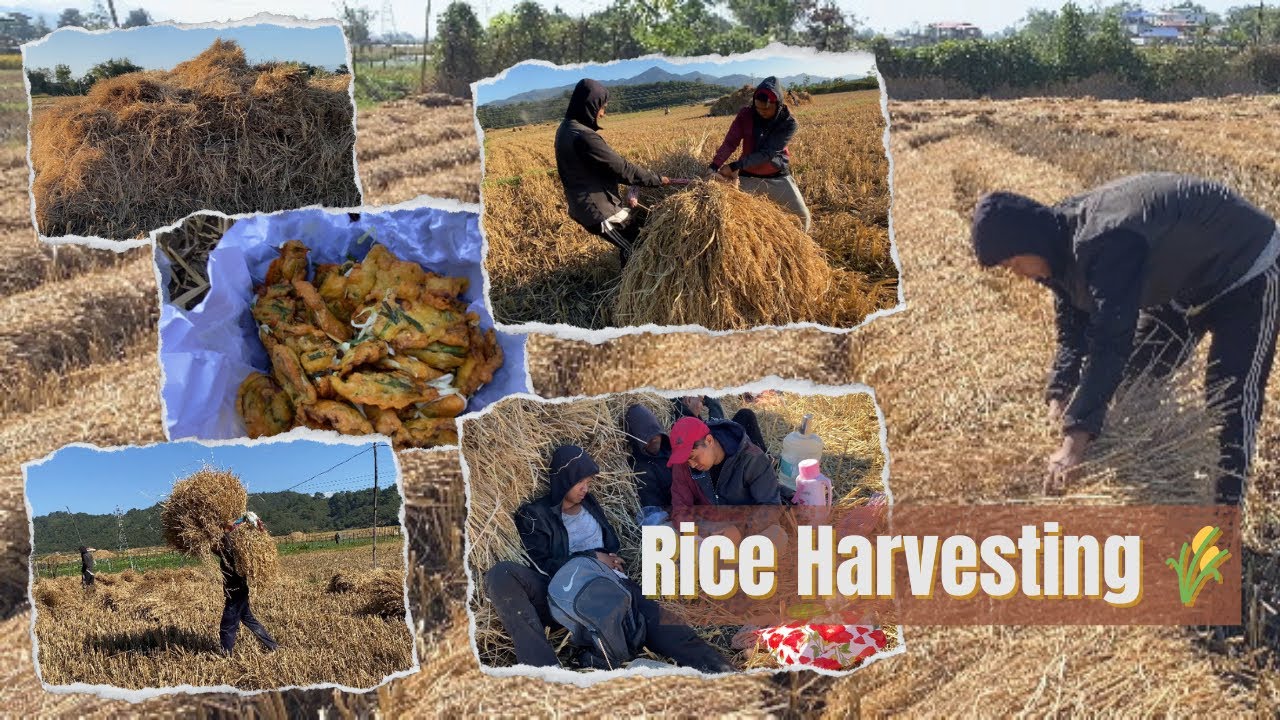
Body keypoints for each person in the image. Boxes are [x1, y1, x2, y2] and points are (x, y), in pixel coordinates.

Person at [969, 172, 1280, 504]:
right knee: (1135, 378)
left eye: (1014, 262)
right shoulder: (1056, 244)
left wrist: (1074, 444)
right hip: (1184, 277)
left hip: (1246, 268)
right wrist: (1061, 394)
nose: (1017, 274)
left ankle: (1224, 523)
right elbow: (1074, 333)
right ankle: (1165, 490)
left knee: (1229, 404)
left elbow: (1110, 340)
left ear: (1028, 241)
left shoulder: (1106, 240)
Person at [484, 445, 732, 672]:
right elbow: (542, 565)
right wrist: (593, 557)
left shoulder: (589, 503)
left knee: (665, 623)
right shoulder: (535, 515)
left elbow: (609, 543)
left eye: (588, 481)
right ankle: (542, 671)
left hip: (609, 585)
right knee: (502, 573)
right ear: (563, 480)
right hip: (562, 590)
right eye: (579, 481)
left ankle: (721, 671)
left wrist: (606, 561)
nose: (585, 487)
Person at [555, 78, 673, 267]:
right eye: (602, 107)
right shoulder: (584, 137)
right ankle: (630, 293)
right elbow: (622, 168)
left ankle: (629, 283)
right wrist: (658, 179)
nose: (603, 113)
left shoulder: (566, 128)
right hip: (599, 212)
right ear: (590, 105)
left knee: (632, 242)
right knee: (641, 250)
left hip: (587, 207)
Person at [708, 76, 811, 232]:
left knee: (802, 220)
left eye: (766, 109)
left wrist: (734, 165)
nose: (761, 112)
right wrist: (714, 166)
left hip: (776, 176)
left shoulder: (788, 123)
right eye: (758, 108)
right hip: (747, 177)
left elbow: (768, 153)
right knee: (737, 222)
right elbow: (730, 142)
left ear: (778, 105)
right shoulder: (745, 115)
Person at [668, 416, 781, 508]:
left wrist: (740, 529)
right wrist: (692, 534)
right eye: (687, 460)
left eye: (693, 457)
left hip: (747, 525)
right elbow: (681, 508)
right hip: (706, 527)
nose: (692, 464)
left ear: (709, 440)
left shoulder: (752, 459)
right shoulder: (683, 463)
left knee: (775, 532)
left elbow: (771, 507)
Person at [215, 516, 278, 655]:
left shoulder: (233, 553)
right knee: (249, 619)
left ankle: (226, 654)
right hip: (241, 591)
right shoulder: (233, 552)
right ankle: (273, 646)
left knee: (227, 625)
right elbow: (219, 549)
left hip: (235, 594)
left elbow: (227, 548)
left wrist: (226, 531)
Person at [623, 404, 674, 525]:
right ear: (636, 441)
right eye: (646, 438)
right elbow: (653, 509)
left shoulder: (670, 451)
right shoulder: (641, 470)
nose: (653, 439)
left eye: (655, 433)